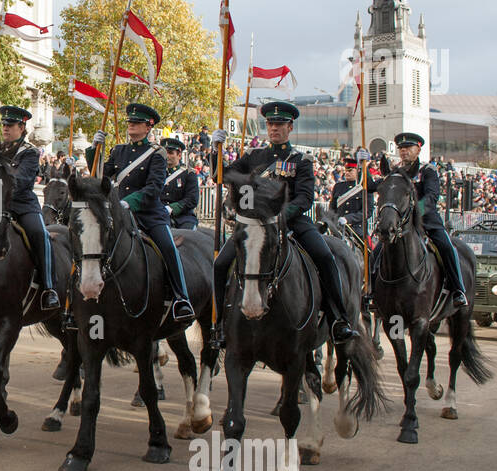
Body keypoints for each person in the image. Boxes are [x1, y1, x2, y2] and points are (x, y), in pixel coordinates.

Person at [210, 101, 359, 348]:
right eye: (270, 124)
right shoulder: (254, 157)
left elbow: (304, 197)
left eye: (279, 124)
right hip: (255, 225)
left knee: (324, 256)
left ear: (290, 127)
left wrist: (279, 215)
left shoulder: (300, 160)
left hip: (291, 221)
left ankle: (338, 319)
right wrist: (216, 150)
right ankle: (220, 324)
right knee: (221, 263)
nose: (274, 128)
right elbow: (220, 176)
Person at [87, 104, 195, 326]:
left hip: (148, 214)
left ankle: (181, 297)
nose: (131, 125)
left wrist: (128, 203)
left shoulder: (157, 153)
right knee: (88, 243)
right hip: (118, 212)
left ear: (149, 127)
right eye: (129, 122)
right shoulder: (119, 151)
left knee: (167, 247)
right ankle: (76, 300)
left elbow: (154, 187)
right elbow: (99, 177)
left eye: (136, 123)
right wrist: (94, 149)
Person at [0, 105, 58, 311]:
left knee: (39, 234)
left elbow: (22, 180)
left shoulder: (29, 152)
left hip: (22, 205)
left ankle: (49, 287)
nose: (6, 128)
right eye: (4, 125)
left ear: (22, 127)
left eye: (10, 125)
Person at [372, 132, 467, 307]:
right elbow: (375, 186)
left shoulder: (427, 170)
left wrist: (416, 211)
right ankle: (371, 292)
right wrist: (363, 171)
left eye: (408, 148)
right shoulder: (395, 172)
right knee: (377, 252)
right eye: (401, 148)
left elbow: (432, 196)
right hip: (401, 223)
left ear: (418, 149)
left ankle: (457, 289)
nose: (404, 151)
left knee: (446, 247)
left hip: (426, 220)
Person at [329, 156, 371, 245]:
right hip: (338, 228)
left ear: (358, 171)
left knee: (371, 252)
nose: (347, 173)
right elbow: (332, 208)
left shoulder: (365, 188)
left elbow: (367, 212)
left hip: (357, 229)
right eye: (346, 170)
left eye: (350, 170)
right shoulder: (338, 186)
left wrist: (348, 218)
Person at [159, 135, 200, 230]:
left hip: (183, 218)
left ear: (179, 155)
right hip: (159, 216)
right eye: (165, 153)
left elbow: (192, 199)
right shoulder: (157, 173)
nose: (167, 156)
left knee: (188, 238)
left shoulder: (188, 174)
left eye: (170, 153)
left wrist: (172, 208)